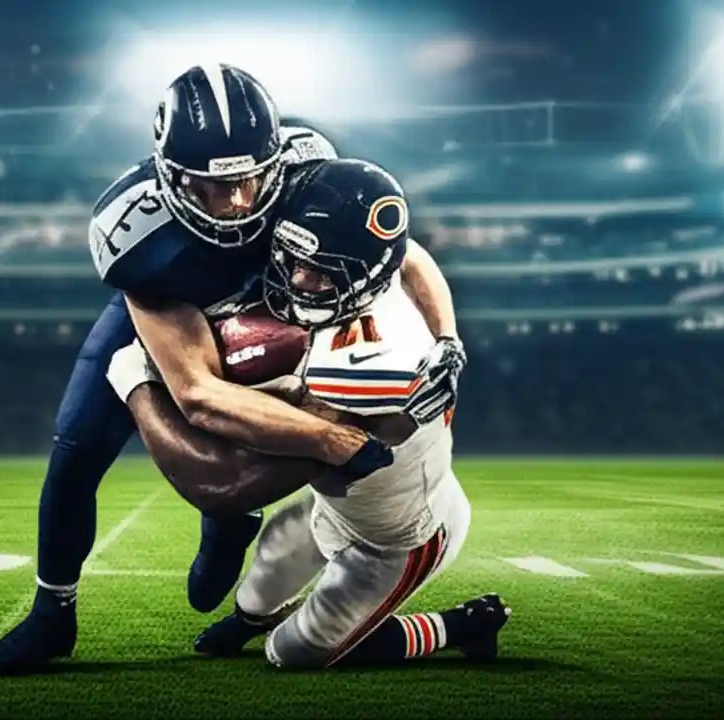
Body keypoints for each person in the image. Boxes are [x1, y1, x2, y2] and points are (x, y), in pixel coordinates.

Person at [0, 65, 465, 675]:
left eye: (251, 179)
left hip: (275, 305)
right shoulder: (139, 235)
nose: (238, 200)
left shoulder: (304, 165)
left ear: (273, 158)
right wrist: (331, 441)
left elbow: (401, 253)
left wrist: (446, 337)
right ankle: (52, 612)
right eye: (214, 186)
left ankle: (232, 521)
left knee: (256, 437)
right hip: (173, 315)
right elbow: (197, 392)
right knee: (76, 448)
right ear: (171, 175)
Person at [105, 158, 507, 669]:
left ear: (365, 274)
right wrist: (450, 337)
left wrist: (135, 379)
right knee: (261, 582)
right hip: (338, 510)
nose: (297, 277)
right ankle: (252, 620)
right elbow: (409, 255)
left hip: (400, 538)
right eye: (294, 258)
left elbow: (222, 484)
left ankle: (462, 626)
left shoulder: (379, 367)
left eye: (320, 271)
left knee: (294, 651)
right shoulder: (371, 263)